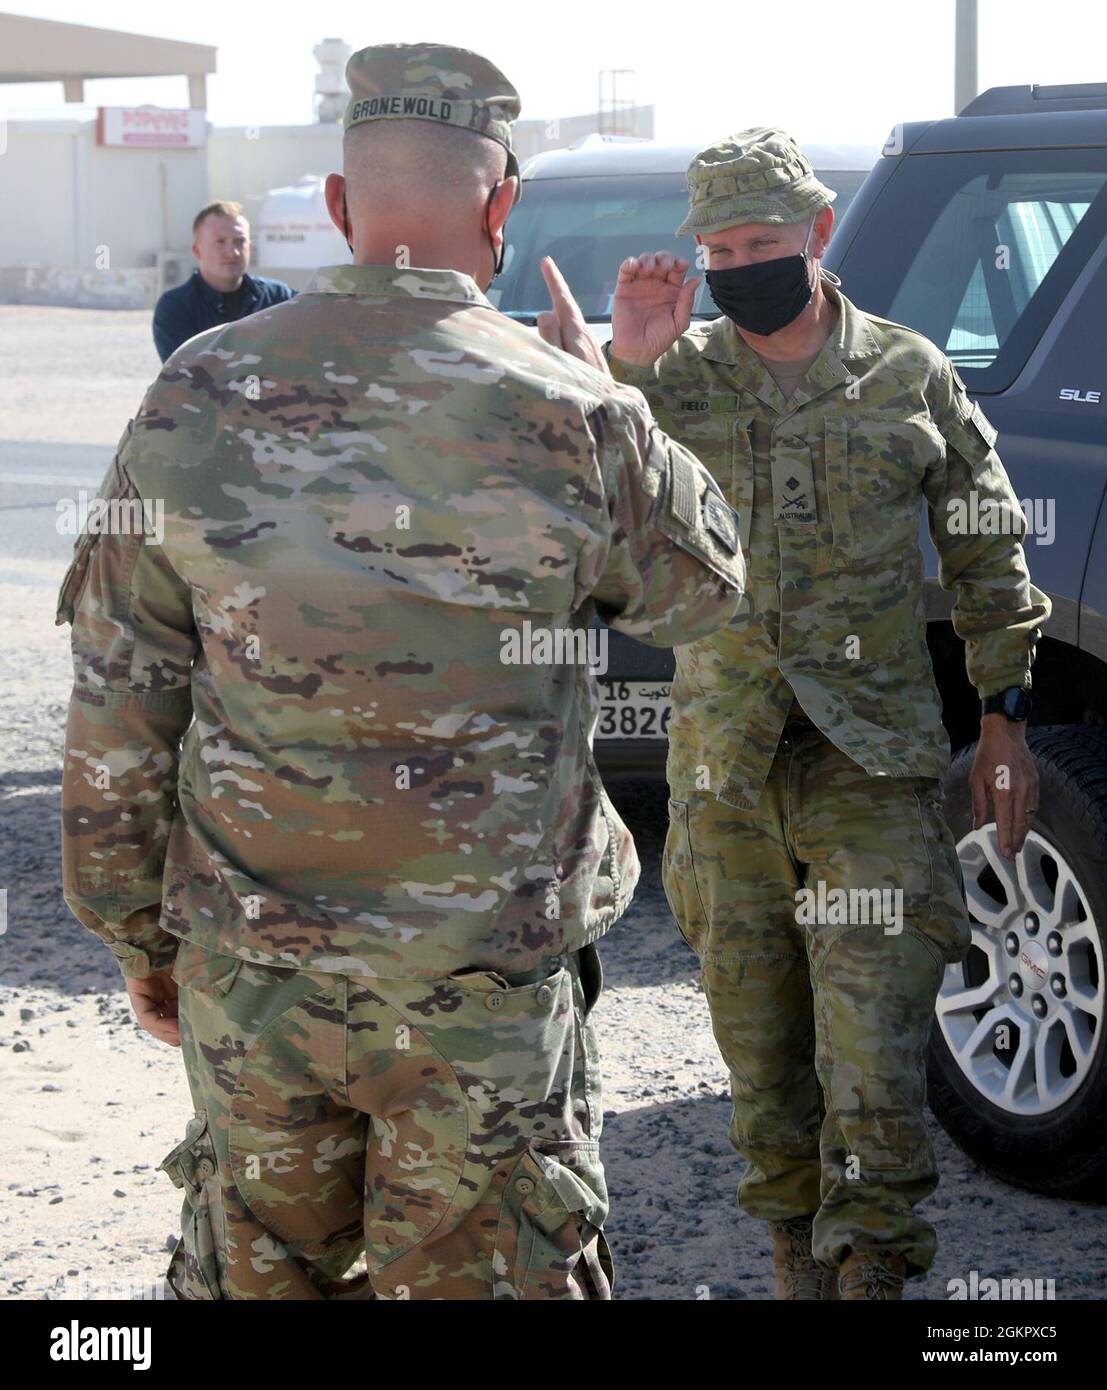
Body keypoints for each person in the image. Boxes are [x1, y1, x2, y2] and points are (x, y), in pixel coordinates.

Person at [54, 43, 745, 1301]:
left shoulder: (195, 394)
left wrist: (136, 939)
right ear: (502, 208)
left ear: (335, 206)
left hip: (255, 976)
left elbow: (119, 699)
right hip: (481, 990)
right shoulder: (568, 408)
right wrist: (620, 389)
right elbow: (702, 590)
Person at [582, 128, 1050, 1300]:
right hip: (724, 766)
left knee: (877, 1045)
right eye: (720, 247)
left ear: (819, 235)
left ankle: (875, 1265)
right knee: (759, 1045)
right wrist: (623, 369)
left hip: (872, 761)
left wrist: (1005, 717)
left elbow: (988, 546)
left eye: (763, 242)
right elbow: (589, 524)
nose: (742, 264)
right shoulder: (670, 379)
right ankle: (796, 1256)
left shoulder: (908, 373)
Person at [152, 201, 295, 361]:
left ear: (250, 247)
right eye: (220, 241)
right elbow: (186, 374)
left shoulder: (278, 298)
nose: (232, 252)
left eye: (240, 241)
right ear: (197, 250)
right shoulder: (177, 307)